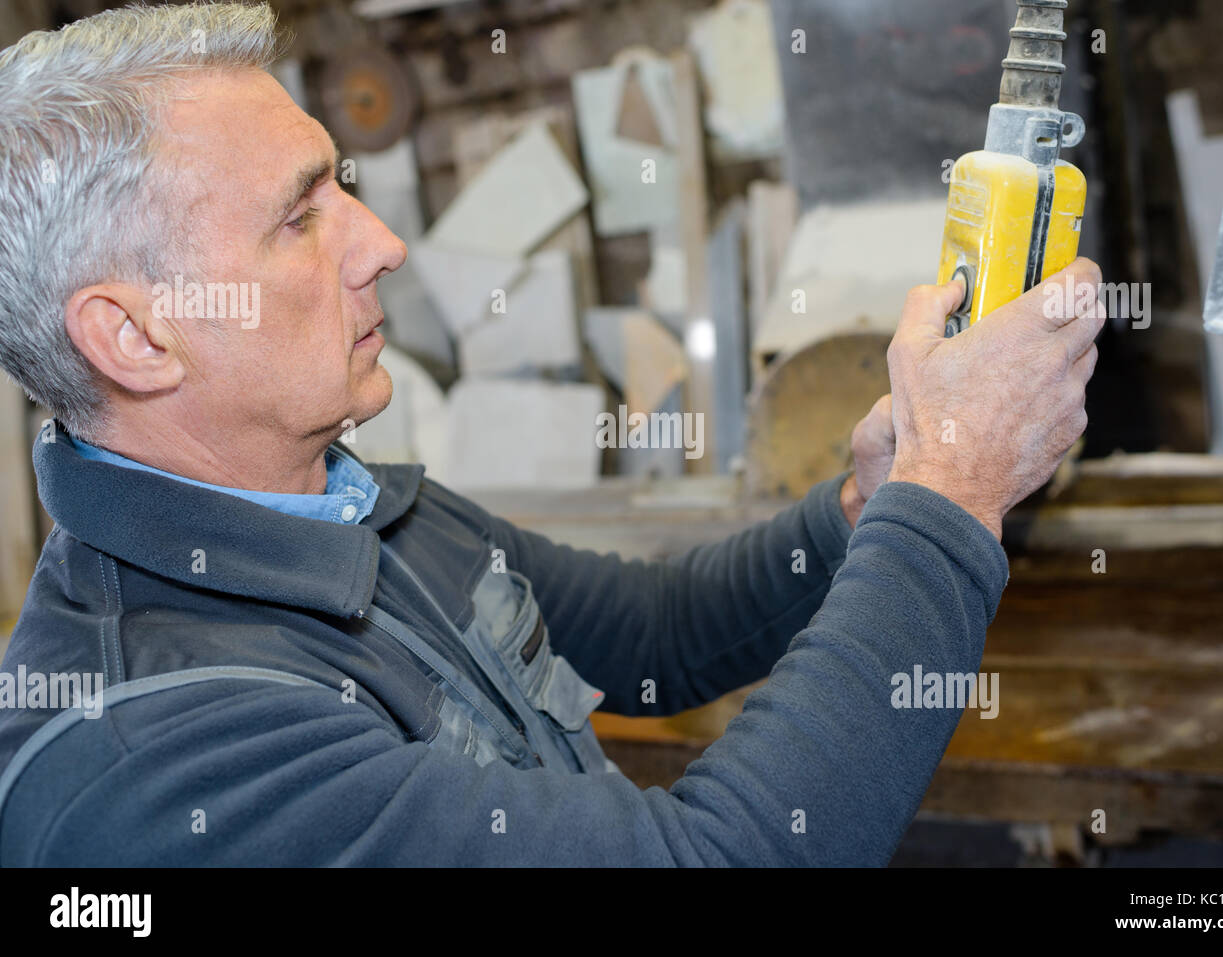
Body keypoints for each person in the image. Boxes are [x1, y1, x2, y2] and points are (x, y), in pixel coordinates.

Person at [0, 3, 1102, 865]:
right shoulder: (158, 765)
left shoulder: (346, 508)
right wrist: (949, 497)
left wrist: (871, 503)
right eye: (299, 217)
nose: (380, 240)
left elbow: (662, 636)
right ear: (134, 337)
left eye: (342, 184)